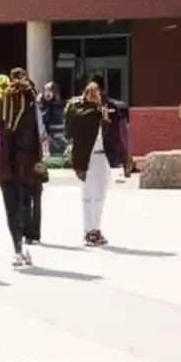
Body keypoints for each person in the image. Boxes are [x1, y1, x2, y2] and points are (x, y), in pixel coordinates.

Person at [0, 68, 48, 254]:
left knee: (13, 205)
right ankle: (27, 237)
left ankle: (18, 244)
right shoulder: (30, 105)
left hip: (7, 162)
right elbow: (35, 135)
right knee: (29, 198)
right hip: (25, 161)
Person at [65, 81, 126, 247]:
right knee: (89, 196)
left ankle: (95, 229)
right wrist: (99, 115)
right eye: (91, 93)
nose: (95, 96)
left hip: (102, 156)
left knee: (99, 195)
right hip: (87, 157)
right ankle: (90, 231)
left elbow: (114, 131)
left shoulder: (102, 111)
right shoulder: (82, 112)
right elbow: (74, 128)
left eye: (97, 93)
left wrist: (104, 117)